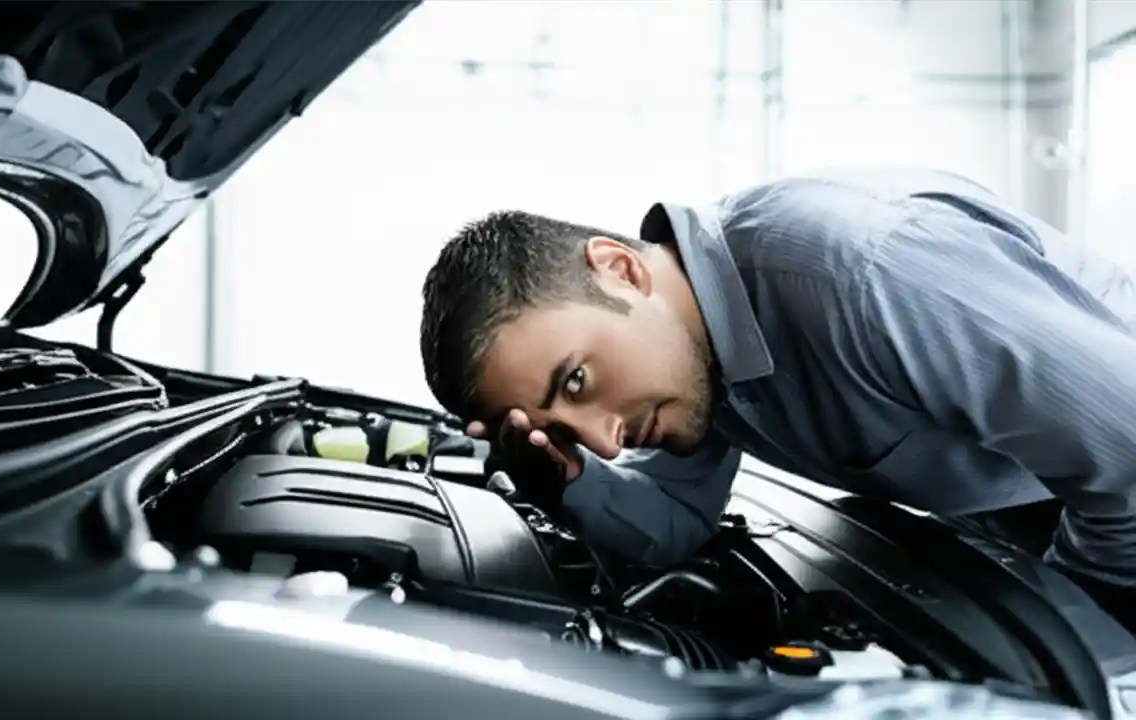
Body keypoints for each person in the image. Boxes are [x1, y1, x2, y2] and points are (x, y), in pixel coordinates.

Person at [416, 166, 1136, 611]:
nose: (605, 437)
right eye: (567, 426)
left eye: (578, 380)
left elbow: (1129, 455)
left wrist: (1067, 633)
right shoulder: (695, 356)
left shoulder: (864, 271)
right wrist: (566, 483)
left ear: (619, 270)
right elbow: (674, 520)